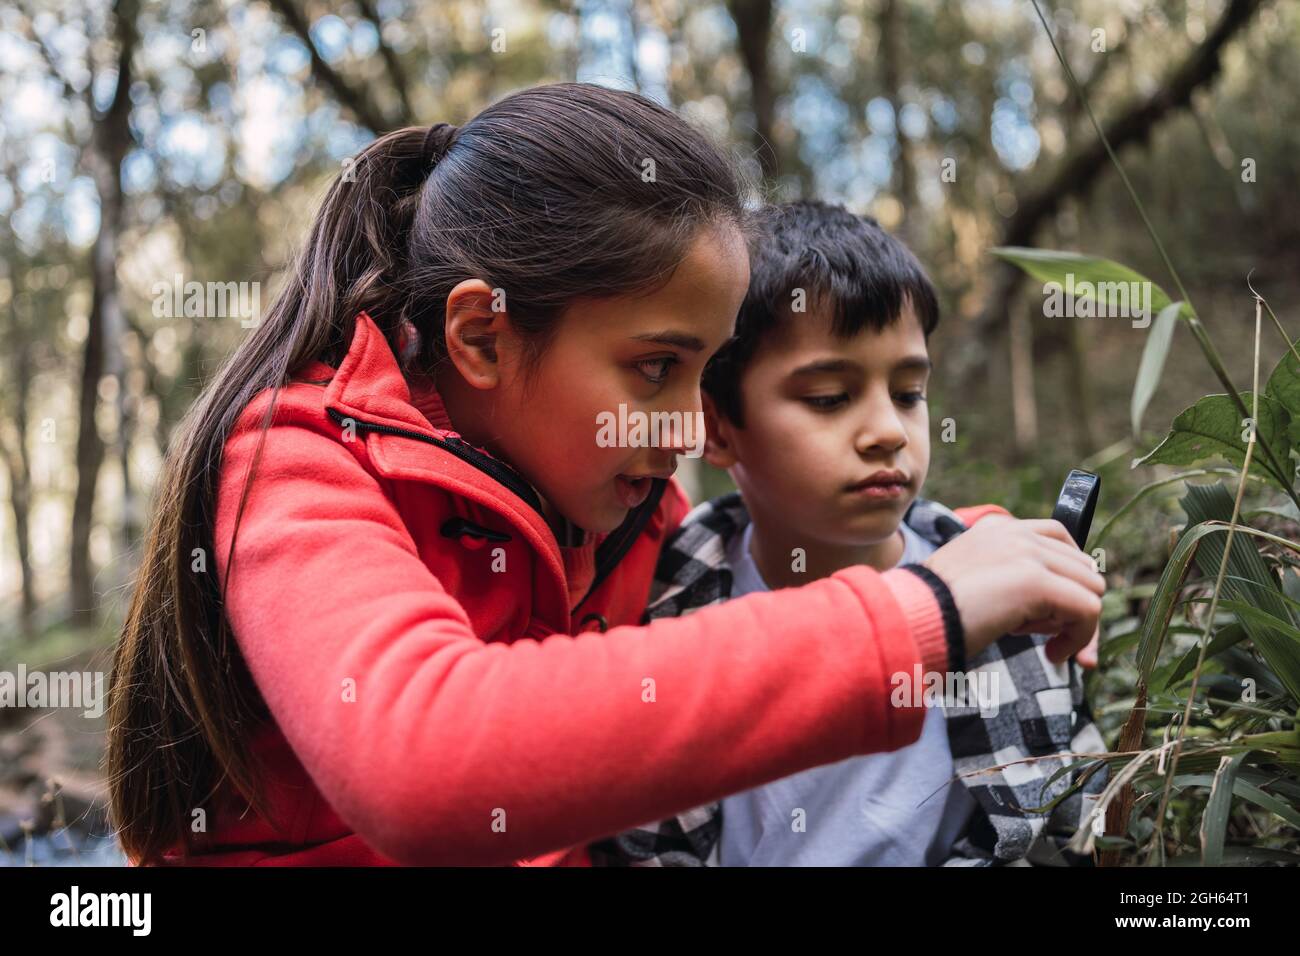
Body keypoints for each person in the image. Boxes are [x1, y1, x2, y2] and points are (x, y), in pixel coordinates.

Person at [106, 84, 1105, 866]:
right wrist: (919, 609)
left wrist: (963, 543)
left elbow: (751, 570)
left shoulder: (619, 498)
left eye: (707, 373)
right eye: (655, 367)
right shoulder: (296, 465)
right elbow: (424, 761)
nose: (683, 426)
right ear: (483, 336)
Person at [594, 201, 1107, 867]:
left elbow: (1081, 816)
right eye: (830, 397)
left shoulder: (1007, 604)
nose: (889, 431)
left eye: (908, 393)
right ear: (716, 429)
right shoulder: (659, 611)